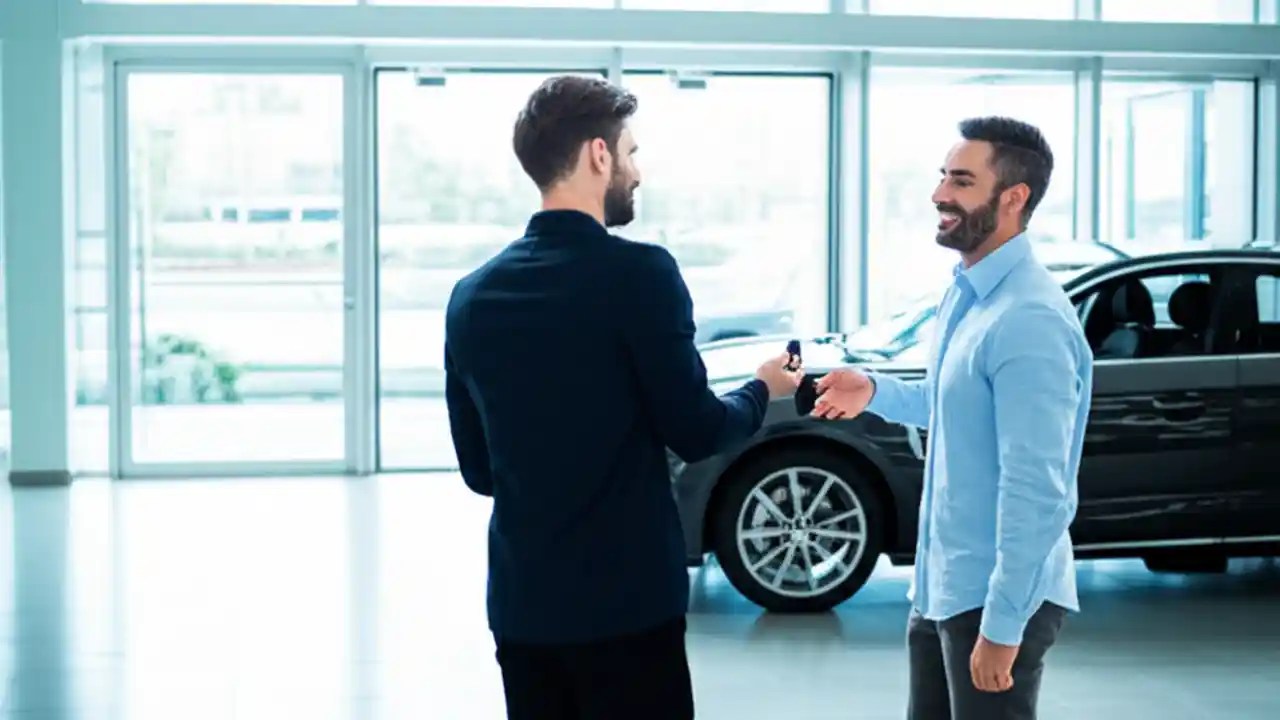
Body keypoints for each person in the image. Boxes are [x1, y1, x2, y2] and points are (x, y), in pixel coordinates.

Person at [443, 75, 803, 720]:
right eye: (631, 153)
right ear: (598, 155)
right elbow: (697, 430)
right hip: (627, 607)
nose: (637, 171)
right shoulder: (641, 275)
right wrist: (762, 389)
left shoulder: (471, 295)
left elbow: (478, 472)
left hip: (525, 610)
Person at [812, 116, 1092, 719]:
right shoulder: (966, 293)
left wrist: (1003, 623)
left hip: (994, 600)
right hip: (943, 588)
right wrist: (875, 390)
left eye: (961, 181)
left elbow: (1037, 489)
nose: (939, 194)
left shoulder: (1030, 320)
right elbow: (955, 406)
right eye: (943, 176)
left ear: (1013, 198)